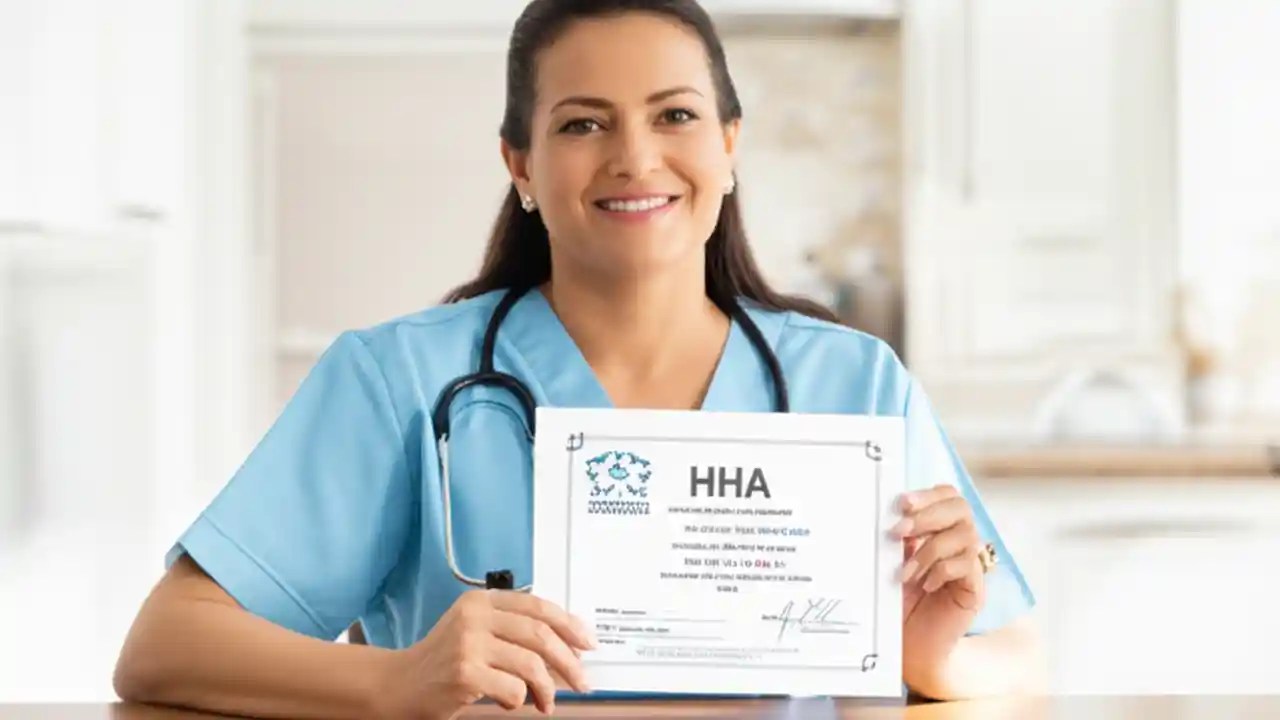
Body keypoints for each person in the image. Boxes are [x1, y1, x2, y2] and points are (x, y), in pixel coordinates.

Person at [113, 1, 1042, 717]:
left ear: (727, 146)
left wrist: (929, 658)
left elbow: (1016, 660)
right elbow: (163, 644)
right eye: (582, 124)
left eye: (674, 115)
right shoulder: (399, 380)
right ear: (519, 164)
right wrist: (395, 683)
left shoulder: (857, 384)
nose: (634, 157)